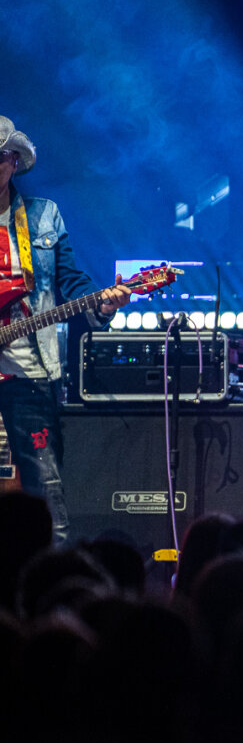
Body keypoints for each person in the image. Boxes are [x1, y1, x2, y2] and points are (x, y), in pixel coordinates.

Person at [0, 115, 131, 545]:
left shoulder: (42, 217)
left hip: (29, 377)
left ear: (13, 163)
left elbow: (72, 281)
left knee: (46, 494)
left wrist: (104, 303)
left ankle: (50, 588)